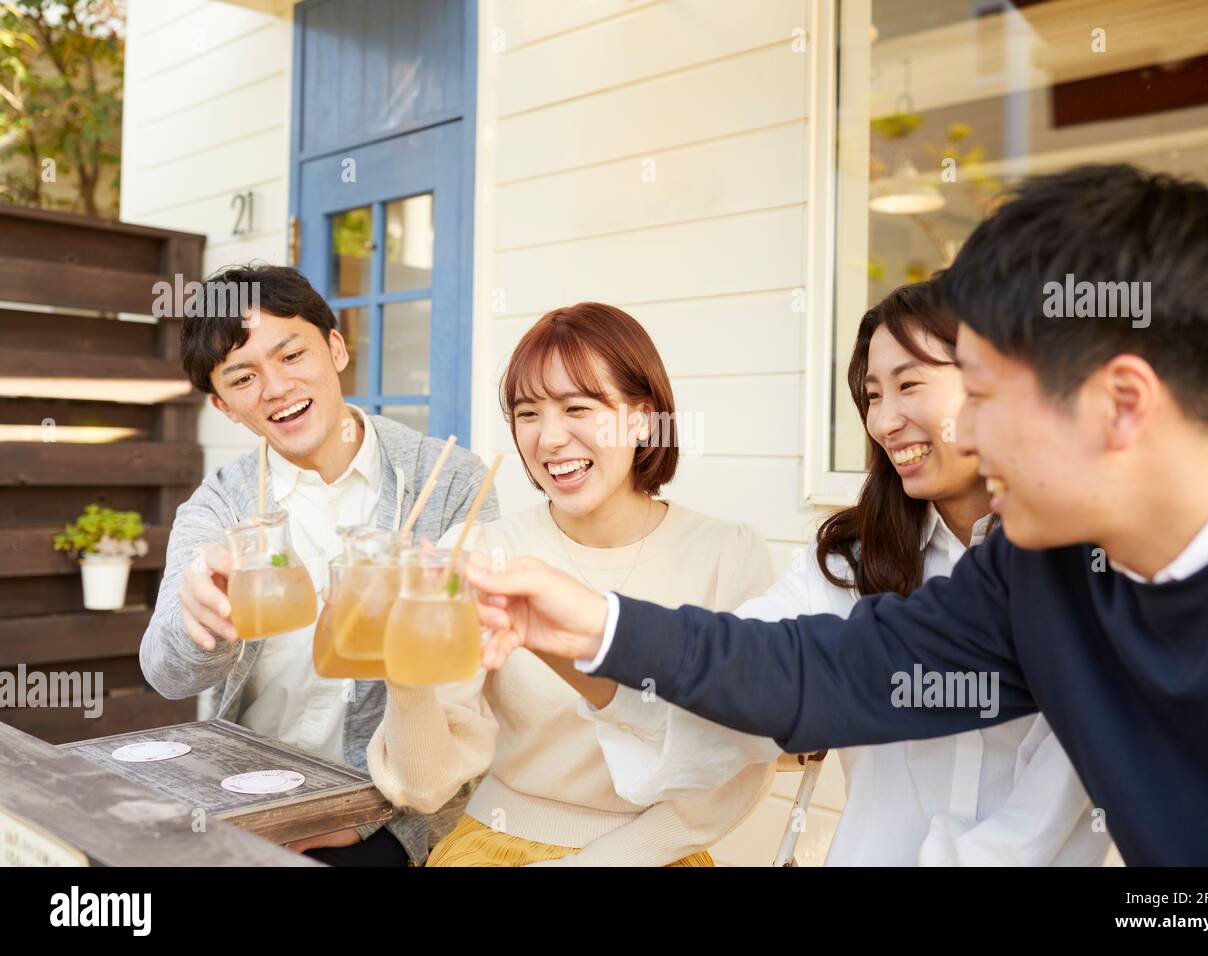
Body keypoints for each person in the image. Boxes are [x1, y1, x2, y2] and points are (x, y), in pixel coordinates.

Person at [466, 164, 1208, 865]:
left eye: (979, 395)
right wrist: (595, 626)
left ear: (1121, 404)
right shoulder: (1033, 567)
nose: (960, 431)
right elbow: (824, 670)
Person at [582, 281, 1110, 865]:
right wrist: (591, 643)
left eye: (909, 384)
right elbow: (757, 660)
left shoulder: (1084, 562)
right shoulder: (848, 557)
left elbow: (1055, 798)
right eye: (871, 396)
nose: (884, 422)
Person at [365, 302, 776, 866]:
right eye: (528, 413)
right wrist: (406, 675)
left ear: (641, 419)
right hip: (494, 843)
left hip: (654, 856)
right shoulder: (482, 549)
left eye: (577, 407)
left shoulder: (727, 555)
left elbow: (738, 768)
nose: (550, 438)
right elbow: (425, 788)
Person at [139, 264, 496, 866]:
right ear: (224, 405)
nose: (275, 387)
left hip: (398, 813)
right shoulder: (222, 505)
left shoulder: (447, 480)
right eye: (243, 377)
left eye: (291, 355)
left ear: (335, 348)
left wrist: (377, 823)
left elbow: (472, 678)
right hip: (256, 801)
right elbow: (166, 672)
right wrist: (200, 623)